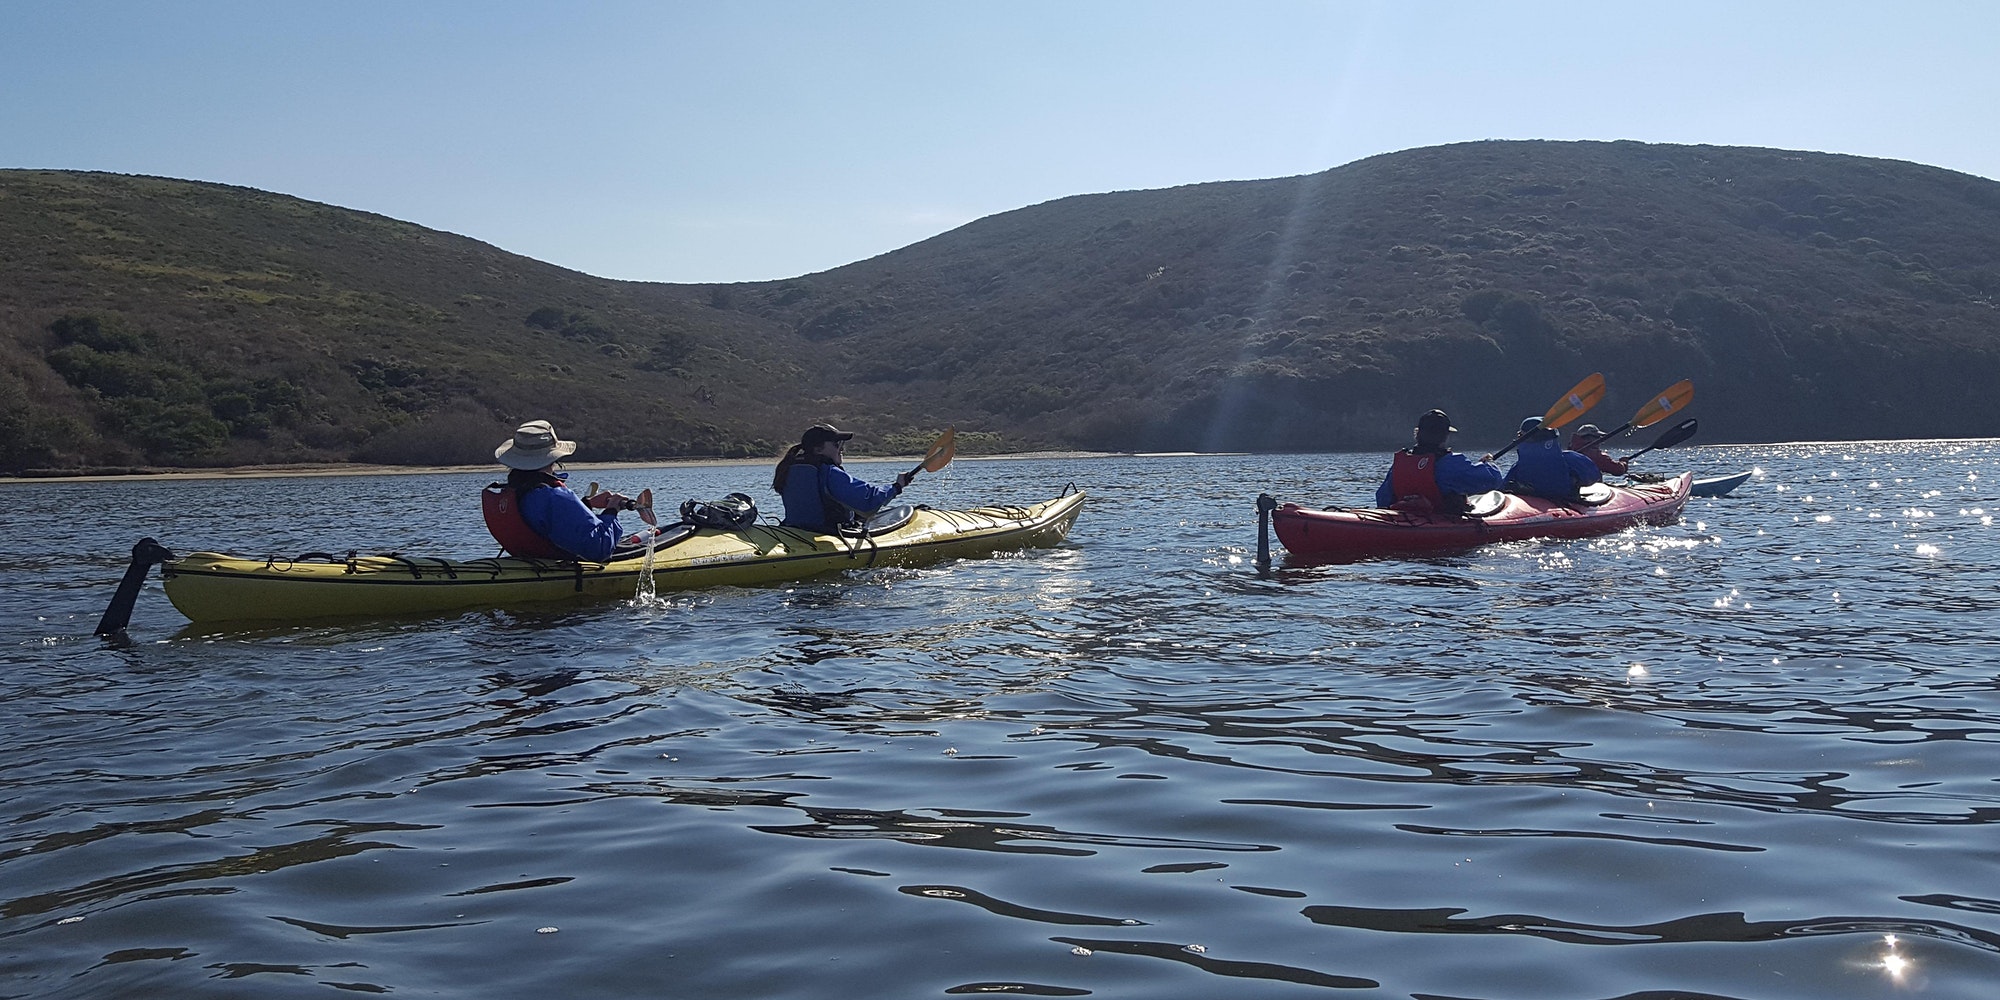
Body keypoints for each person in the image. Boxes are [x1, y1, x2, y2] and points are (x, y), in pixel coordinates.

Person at [484, 419, 634, 561]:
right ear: (553, 459)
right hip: (556, 566)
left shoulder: (515, 492)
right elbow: (599, 548)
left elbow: (549, 519)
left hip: (531, 560)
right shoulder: (555, 497)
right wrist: (611, 511)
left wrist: (586, 505)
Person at [773, 423, 914, 531]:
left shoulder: (788, 469)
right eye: (836, 444)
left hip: (795, 531)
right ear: (818, 449)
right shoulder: (828, 472)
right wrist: (897, 486)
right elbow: (868, 500)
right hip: (825, 533)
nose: (841, 449)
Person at [1375, 409, 1505, 514]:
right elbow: (1493, 480)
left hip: (1404, 521)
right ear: (1445, 436)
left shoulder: (1401, 463)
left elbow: (1382, 498)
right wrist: (1488, 463)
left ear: (1417, 433)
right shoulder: (1451, 464)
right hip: (1440, 521)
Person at [1504, 416, 1603, 500]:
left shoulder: (1518, 467)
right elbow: (1595, 477)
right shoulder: (1570, 458)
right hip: (1563, 498)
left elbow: (1501, 488)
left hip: (1533, 500)